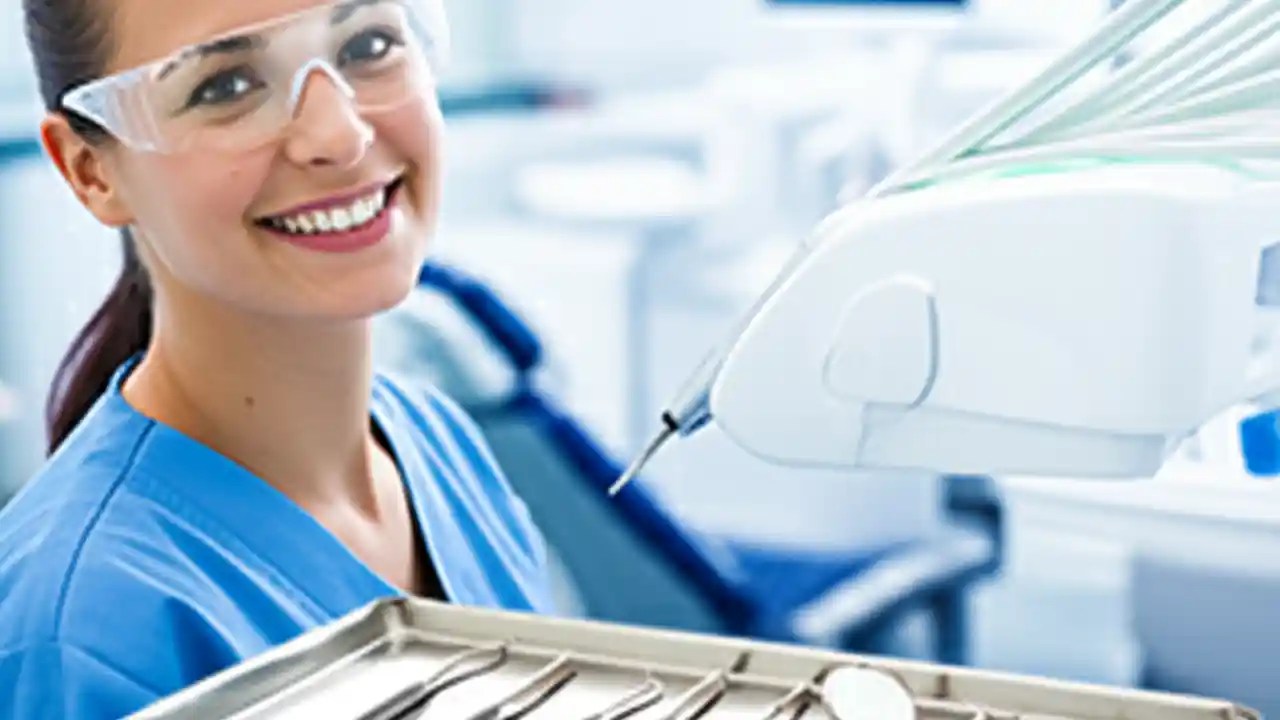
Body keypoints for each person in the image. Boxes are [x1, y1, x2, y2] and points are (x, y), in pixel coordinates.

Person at [0, 0, 554, 716]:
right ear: (90, 171)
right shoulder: (88, 630)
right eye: (226, 87)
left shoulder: (438, 447)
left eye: (369, 44)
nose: (341, 135)